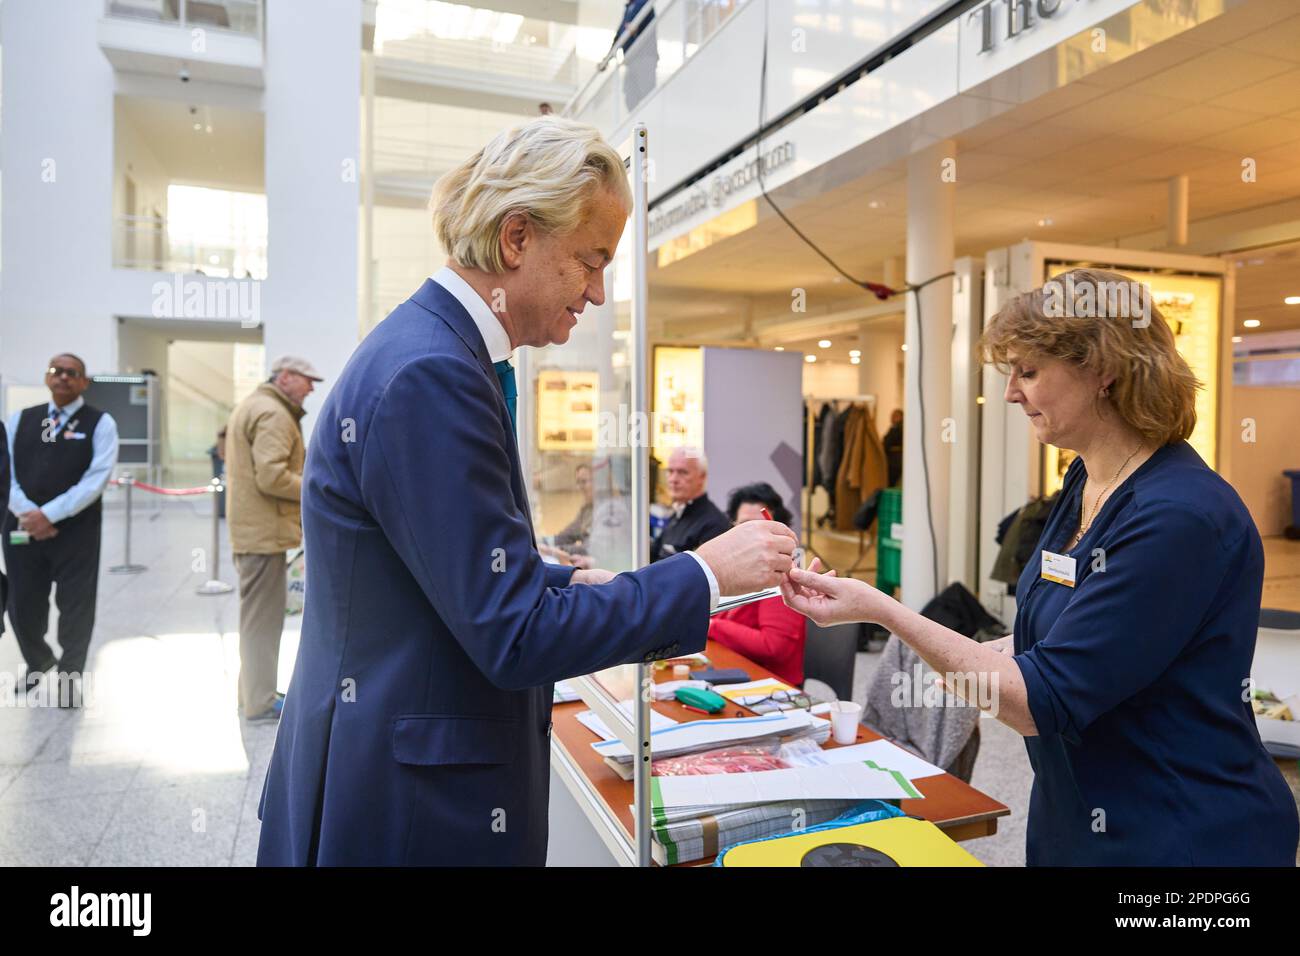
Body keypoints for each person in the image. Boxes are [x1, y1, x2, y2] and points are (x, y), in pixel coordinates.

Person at [256, 116, 796, 866]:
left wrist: (565, 578)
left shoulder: (428, 351)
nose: (601, 292)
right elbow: (512, 636)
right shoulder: (434, 375)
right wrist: (707, 574)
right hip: (410, 804)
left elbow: (434, 570)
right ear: (517, 239)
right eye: (590, 260)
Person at [782, 268, 1299, 866]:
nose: (1010, 393)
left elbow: (1038, 701)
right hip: (1076, 816)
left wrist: (884, 611)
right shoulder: (1084, 478)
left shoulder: (1179, 517)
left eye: (1028, 372)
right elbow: (1047, 644)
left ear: (1105, 370)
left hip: (1180, 835)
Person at [2, 353, 118, 706]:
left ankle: (70, 678)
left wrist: (50, 514)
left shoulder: (101, 423)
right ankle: (38, 660)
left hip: (76, 532)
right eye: (57, 371)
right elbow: (3, 471)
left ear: (84, 382)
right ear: (47, 377)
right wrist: (28, 513)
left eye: (72, 373)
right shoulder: (21, 419)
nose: (63, 377)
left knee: (76, 608)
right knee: (22, 606)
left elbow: (96, 479)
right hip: (22, 530)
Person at [226, 355, 321, 723]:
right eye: (307, 380)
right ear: (285, 377)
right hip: (263, 534)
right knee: (263, 623)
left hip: (253, 531)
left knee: (255, 619)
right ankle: (261, 702)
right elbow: (272, 477)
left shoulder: (257, 404)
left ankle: (251, 692)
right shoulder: (274, 413)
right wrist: (318, 488)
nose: (312, 388)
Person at [708, 483, 807, 686]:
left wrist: (712, 626)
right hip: (732, 674)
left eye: (761, 527)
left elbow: (773, 646)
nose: (752, 536)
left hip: (770, 688)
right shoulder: (735, 568)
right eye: (744, 526)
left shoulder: (784, 574)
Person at [649, 446, 731, 563]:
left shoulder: (714, 525)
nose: (673, 479)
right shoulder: (678, 515)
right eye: (670, 471)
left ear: (702, 477)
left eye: (683, 472)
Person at [882, 408, 903, 487]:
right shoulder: (896, 428)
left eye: (894, 416)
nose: (892, 418)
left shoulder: (897, 429)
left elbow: (887, 443)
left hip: (895, 462)